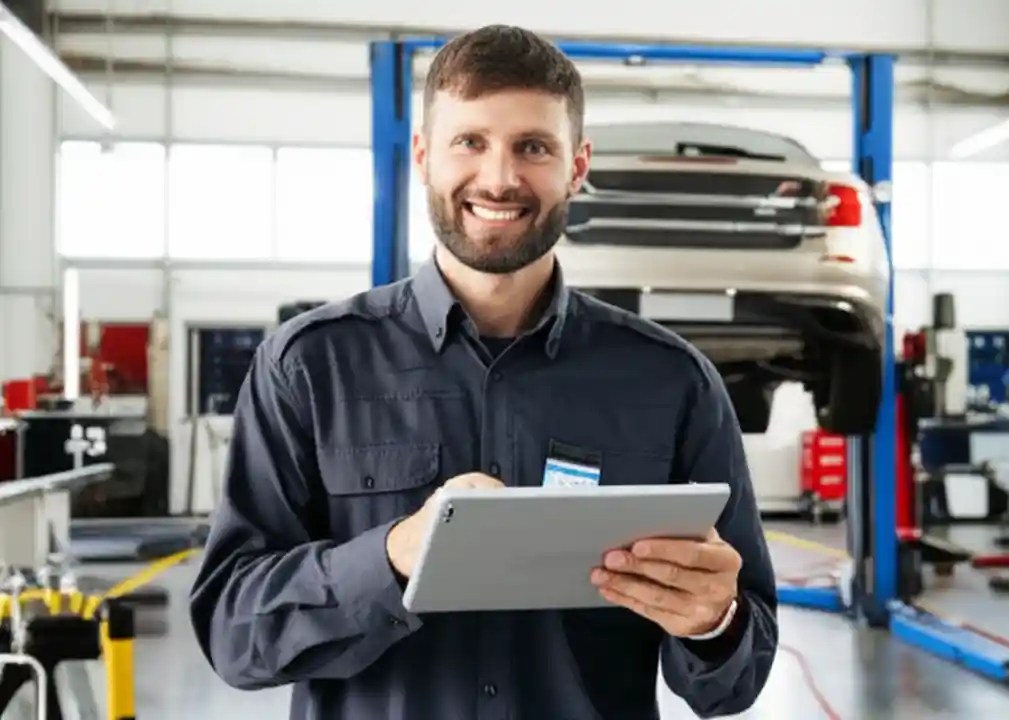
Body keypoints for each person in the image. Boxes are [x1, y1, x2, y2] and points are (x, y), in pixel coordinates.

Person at [189, 24, 778, 720]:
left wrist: (716, 621)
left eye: (533, 146)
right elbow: (234, 632)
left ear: (577, 166)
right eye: (470, 141)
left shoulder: (672, 384)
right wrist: (396, 553)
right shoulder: (309, 367)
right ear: (422, 157)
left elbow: (735, 681)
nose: (499, 178)